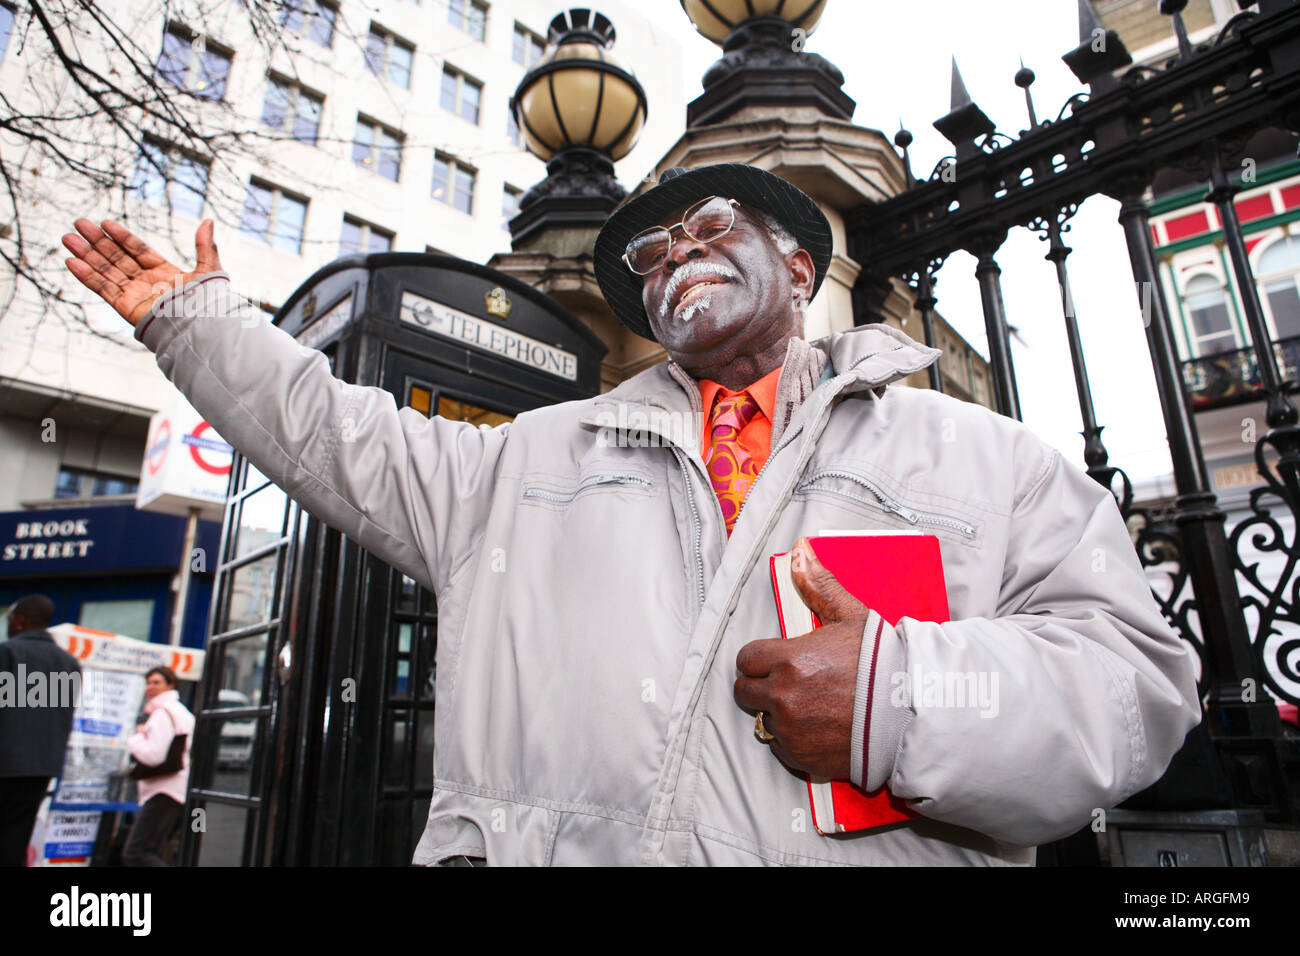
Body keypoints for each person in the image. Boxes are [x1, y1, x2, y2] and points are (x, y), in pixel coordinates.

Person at [61, 163, 1201, 866]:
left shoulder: (984, 459)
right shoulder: (522, 461)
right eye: (656, 256)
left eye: (709, 231)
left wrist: (902, 698)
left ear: (799, 265)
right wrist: (192, 323)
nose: (675, 257)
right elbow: (332, 430)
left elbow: (1135, 688)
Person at [0, 594, 81, 866]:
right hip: (42, 765)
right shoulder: (69, 663)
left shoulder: (8, 652)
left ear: (20, 621)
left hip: (6, 762)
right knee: (15, 837)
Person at [122, 666, 194, 866]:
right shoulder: (181, 712)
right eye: (148, 682)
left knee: (137, 853)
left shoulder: (163, 713)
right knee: (152, 850)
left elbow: (154, 755)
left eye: (157, 682)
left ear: (170, 684)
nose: (150, 687)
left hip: (163, 790)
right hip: (176, 789)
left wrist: (135, 739)